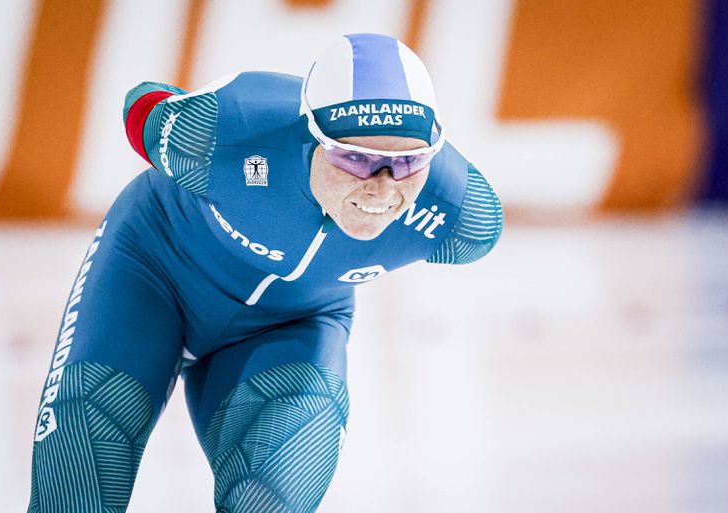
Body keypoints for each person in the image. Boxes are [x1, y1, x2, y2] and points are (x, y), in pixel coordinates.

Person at [26, 33, 503, 513]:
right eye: (354, 157)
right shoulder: (225, 134)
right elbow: (142, 106)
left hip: (289, 326)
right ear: (311, 136)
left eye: (406, 161)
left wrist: (384, 164)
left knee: (271, 500)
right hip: (153, 279)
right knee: (75, 492)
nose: (381, 189)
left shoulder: (462, 218)